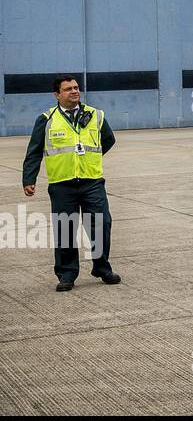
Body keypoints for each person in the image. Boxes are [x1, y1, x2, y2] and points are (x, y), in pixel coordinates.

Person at [21, 75, 121, 292]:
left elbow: (109, 139)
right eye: (68, 89)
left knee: (101, 225)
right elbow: (35, 151)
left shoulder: (95, 115)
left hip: (92, 181)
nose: (74, 91)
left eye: (76, 88)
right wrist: (29, 179)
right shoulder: (46, 119)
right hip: (61, 184)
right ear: (57, 94)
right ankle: (67, 274)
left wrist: (89, 159)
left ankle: (102, 268)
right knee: (65, 229)